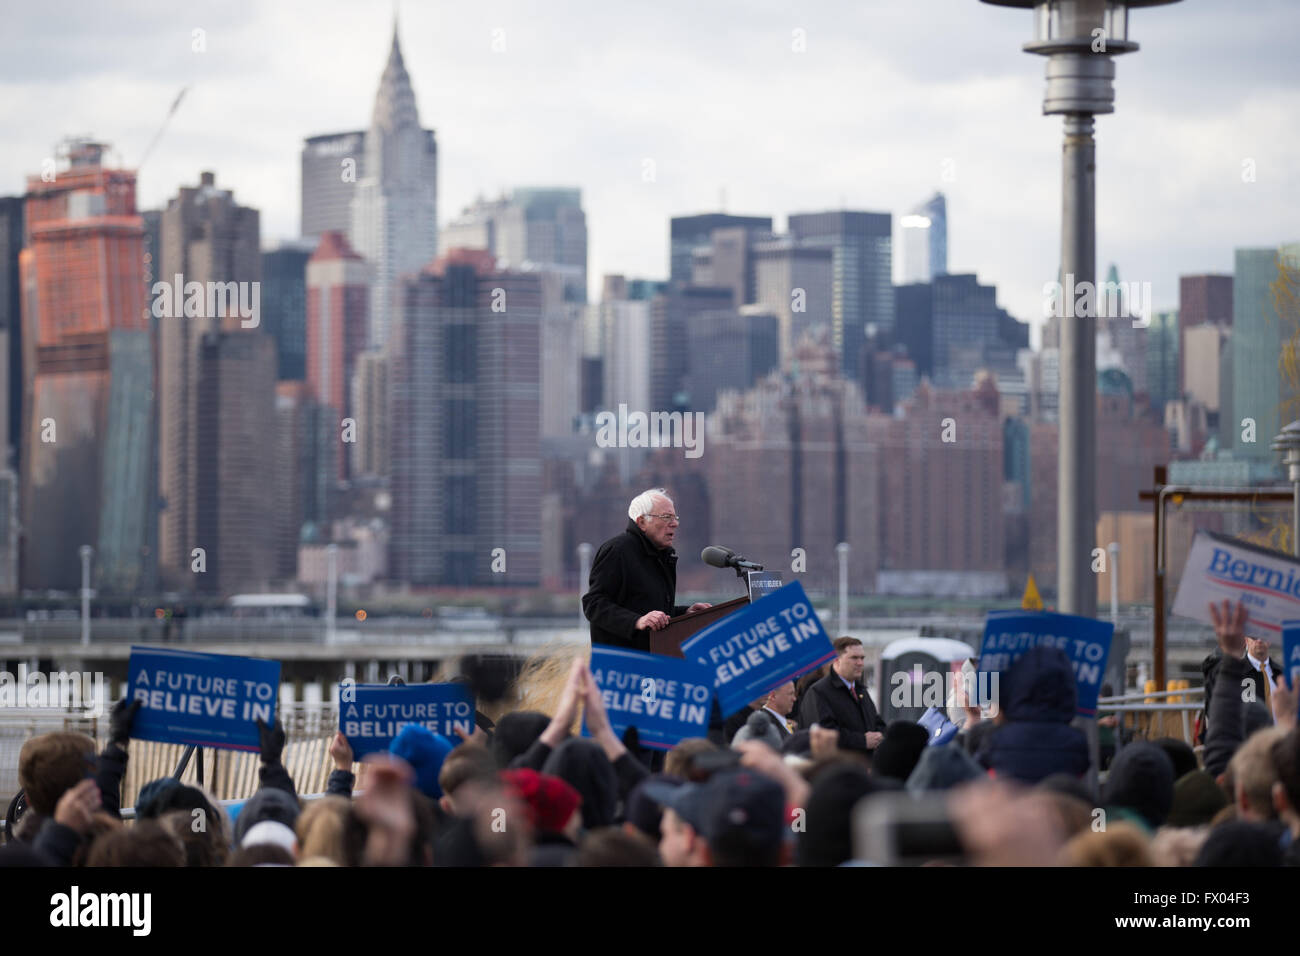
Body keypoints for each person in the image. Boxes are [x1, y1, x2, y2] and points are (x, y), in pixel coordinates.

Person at [582, 488, 710, 652]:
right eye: (666, 517)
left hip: (655, 661)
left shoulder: (662, 556)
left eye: (675, 517)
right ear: (642, 522)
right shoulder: (617, 550)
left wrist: (686, 612)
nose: (675, 523)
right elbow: (593, 604)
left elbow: (652, 612)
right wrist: (636, 621)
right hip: (622, 666)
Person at [799, 637, 886, 755]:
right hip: (836, 768)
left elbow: (877, 722)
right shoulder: (819, 692)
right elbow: (823, 734)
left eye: (862, 658)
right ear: (836, 660)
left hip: (863, 767)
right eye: (854, 658)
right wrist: (862, 741)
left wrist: (880, 736)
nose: (860, 663)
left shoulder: (861, 690)